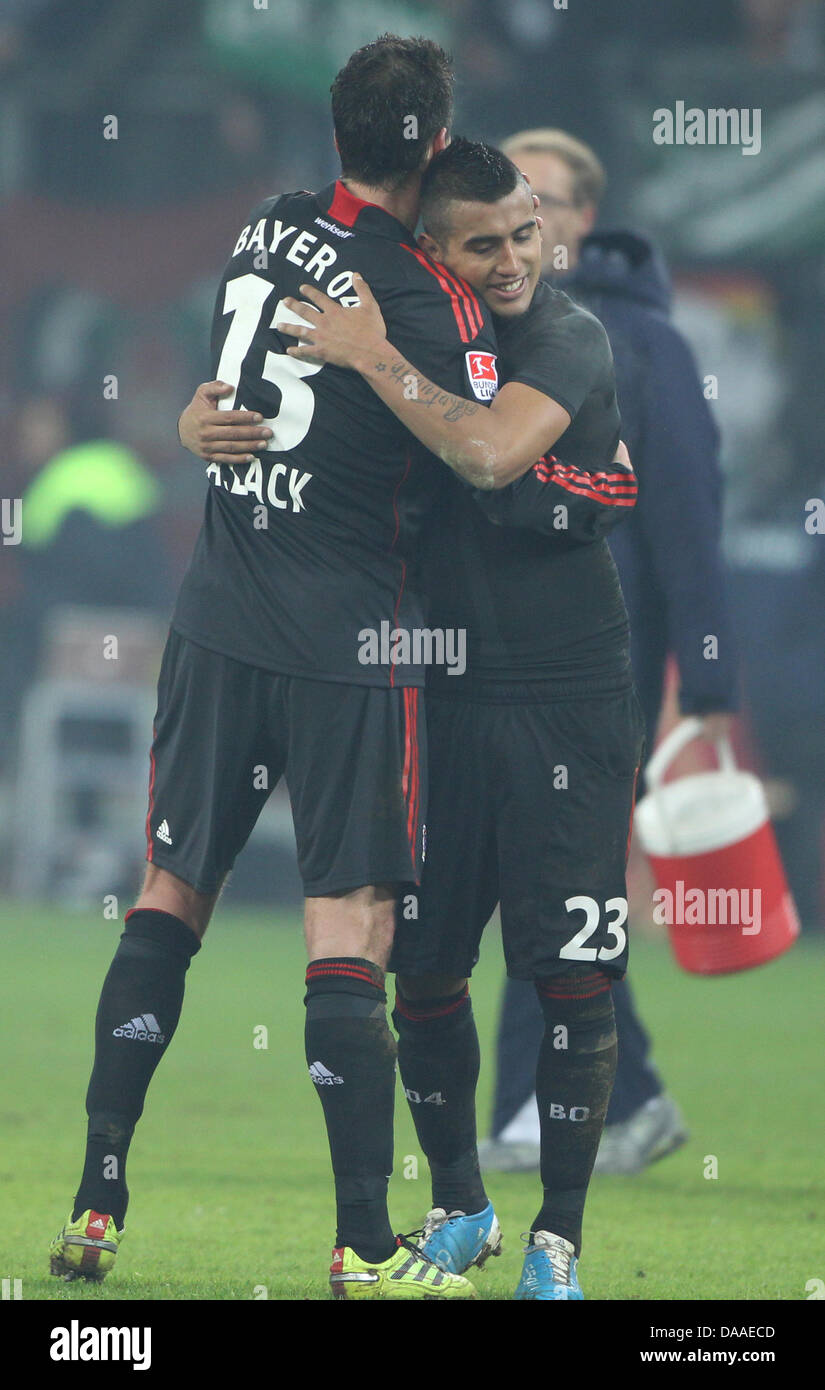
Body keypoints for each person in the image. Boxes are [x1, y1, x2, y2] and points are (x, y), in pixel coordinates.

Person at [48, 36, 523, 1303]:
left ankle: (98, 1196)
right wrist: (391, 357)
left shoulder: (264, 228)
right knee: (350, 926)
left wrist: (204, 418)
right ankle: (365, 1244)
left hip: (217, 617)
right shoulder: (427, 299)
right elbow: (479, 454)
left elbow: (230, 390)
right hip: (350, 640)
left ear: (334, 135)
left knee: (168, 894)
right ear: (432, 147)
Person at [181, 138, 643, 1300]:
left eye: (525, 232)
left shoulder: (566, 338)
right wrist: (203, 427)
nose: (512, 261)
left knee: (574, 973)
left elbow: (486, 454)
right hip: (436, 686)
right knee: (425, 968)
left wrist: (379, 358)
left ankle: (559, 1244)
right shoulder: (413, 335)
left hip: (567, 697)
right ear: (430, 251)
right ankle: (464, 1205)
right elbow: (273, 424)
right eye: (482, 243)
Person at [476, 127, 739, 1174]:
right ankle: (625, 1096)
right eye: (508, 197)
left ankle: (539, 1112)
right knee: (544, 878)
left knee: (545, 875)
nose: (524, 219)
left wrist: (708, 680)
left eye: (544, 198)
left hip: (606, 660)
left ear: (587, 217)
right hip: (508, 652)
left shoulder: (643, 343)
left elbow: (689, 524)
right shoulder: (494, 336)